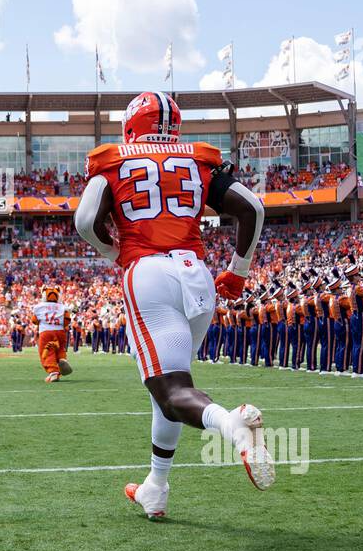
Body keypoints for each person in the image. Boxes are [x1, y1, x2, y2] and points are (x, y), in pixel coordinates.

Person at [73, 90, 274, 522]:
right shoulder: (198, 159)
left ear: (131, 126)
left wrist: (115, 253)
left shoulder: (113, 159)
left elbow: (85, 222)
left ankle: (232, 424)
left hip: (150, 275)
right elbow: (252, 208)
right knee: (166, 389)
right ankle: (156, 488)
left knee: (172, 393)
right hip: (198, 279)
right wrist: (238, 270)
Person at [32, 287, 72, 383]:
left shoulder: (39, 306)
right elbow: (67, 320)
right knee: (60, 349)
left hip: (46, 332)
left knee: (47, 352)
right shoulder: (62, 306)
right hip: (60, 332)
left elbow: (34, 320)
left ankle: (53, 372)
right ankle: (62, 359)